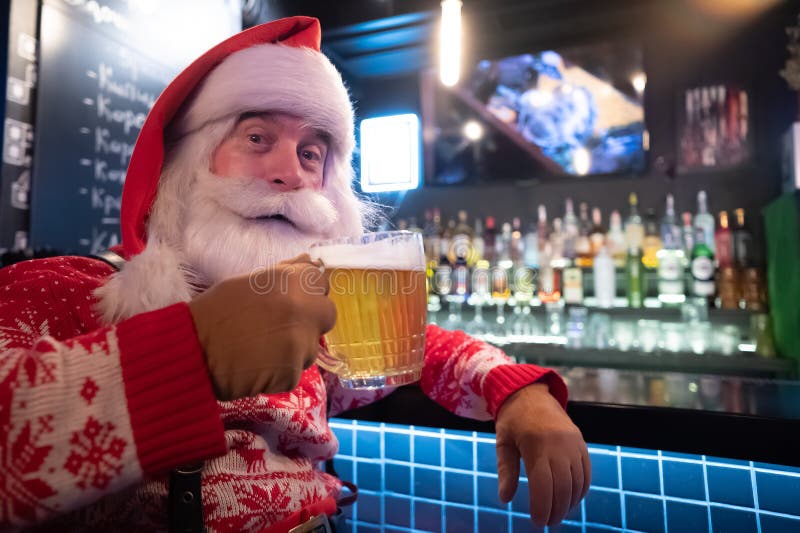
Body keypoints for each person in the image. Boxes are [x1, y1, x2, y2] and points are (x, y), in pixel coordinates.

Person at [0, 16, 590, 532]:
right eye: (257, 137)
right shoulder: (66, 291)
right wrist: (189, 355)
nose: (291, 173)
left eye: (313, 153)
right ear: (183, 167)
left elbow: (418, 351)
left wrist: (517, 389)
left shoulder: (313, 330)